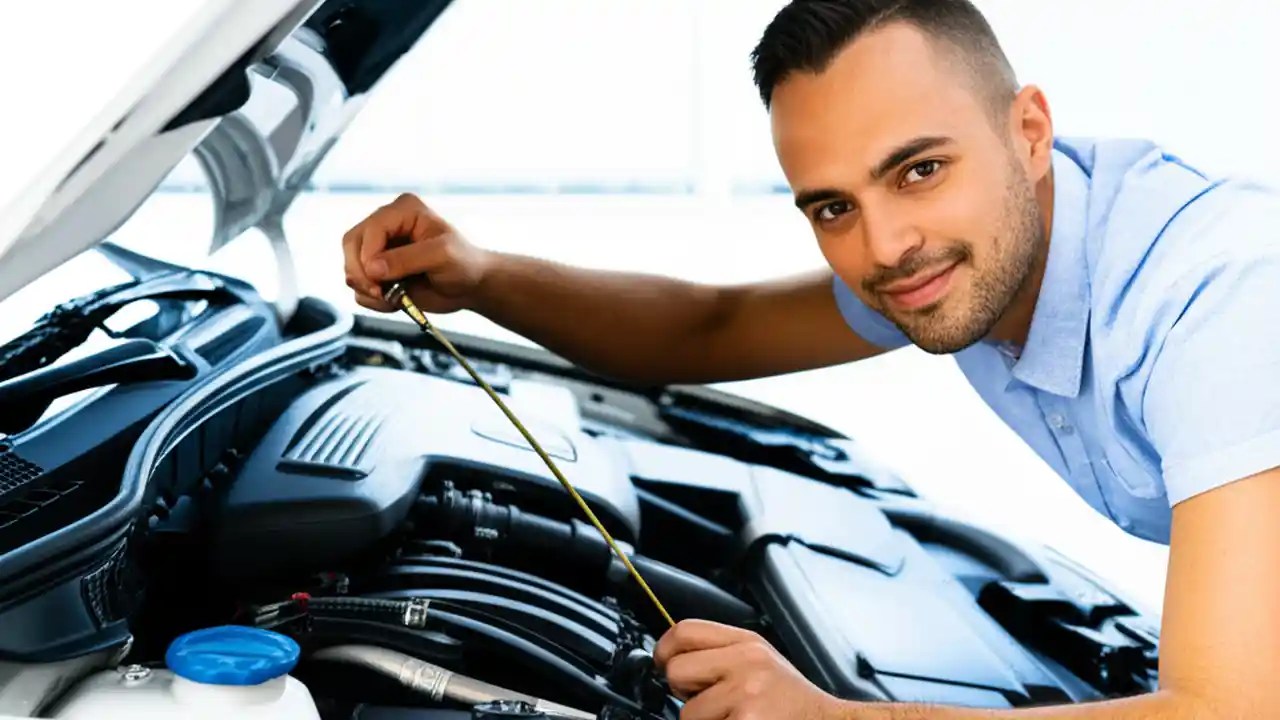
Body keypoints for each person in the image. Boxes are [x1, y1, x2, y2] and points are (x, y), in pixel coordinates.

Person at [342, 0, 1280, 717]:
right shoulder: (977, 250)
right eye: (833, 206)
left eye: (920, 170)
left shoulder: (1222, 302)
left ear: (1028, 131)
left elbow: (1231, 709)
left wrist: (828, 715)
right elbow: (706, 330)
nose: (884, 247)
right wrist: (482, 275)